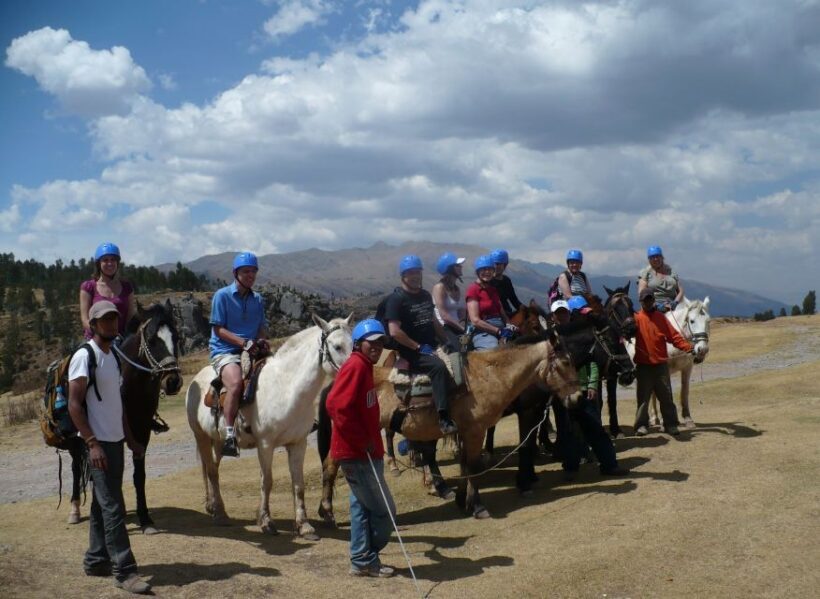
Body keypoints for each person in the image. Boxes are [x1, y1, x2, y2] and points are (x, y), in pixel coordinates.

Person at [67, 301, 151, 595]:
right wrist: (91, 443)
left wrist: (130, 438)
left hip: (115, 442)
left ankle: (95, 559)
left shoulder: (113, 356)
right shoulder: (84, 356)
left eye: (114, 318)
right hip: (97, 444)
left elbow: (118, 405)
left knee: (102, 505)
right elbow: (75, 406)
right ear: (93, 324)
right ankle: (125, 571)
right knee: (114, 506)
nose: (112, 323)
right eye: (105, 319)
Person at [326, 319, 397, 578]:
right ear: (359, 343)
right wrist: (360, 440)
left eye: (380, 342)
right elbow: (335, 405)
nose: (377, 347)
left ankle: (361, 560)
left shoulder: (365, 367)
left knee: (361, 508)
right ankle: (368, 557)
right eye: (372, 342)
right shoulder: (355, 366)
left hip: (366, 451)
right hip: (357, 454)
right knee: (384, 510)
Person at [551, 298, 627, 479]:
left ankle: (609, 465)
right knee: (568, 431)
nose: (562, 316)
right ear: (553, 316)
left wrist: (593, 384)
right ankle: (570, 468)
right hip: (564, 391)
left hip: (585, 389)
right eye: (558, 313)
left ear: (569, 313)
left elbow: (592, 362)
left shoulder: (582, 334)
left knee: (595, 428)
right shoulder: (550, 338)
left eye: (564, 312)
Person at [384, 255, 457, 434]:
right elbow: (394, 331)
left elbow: (434, 322)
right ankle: (444, 418)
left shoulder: (425, 295)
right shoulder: (396, 299)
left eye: (418, 272)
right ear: (403, 276)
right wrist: (417, 347)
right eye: (411, 273)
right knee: (439, 367)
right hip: (411, 351)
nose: (415, 276)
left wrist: (447, 341)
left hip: (431, 345)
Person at [208, 252, 269, 457]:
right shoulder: (222, 296)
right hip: (225, 351)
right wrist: (244, 343)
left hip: (252, 349)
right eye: (246, 271)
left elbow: (261, 327)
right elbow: (218, 330)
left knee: (280, 372)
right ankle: (229, 435)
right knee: (235, 383)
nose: (250, 275)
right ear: (236, 273)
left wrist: (261, 341)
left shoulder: (258, 299)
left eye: (253, 271)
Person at [633, 288, 693, 436]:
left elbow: (674, 337)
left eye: (650, 299)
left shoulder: (661, 318)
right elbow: (625, 335)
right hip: (643, 365)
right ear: (641, 302)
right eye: (645, 300)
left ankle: (671, 425)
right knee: (643, 398)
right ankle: (641, 425)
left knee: (666, 397)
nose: (648, 302)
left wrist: (688, 348)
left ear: (653, 300)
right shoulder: (636, 319)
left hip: (661, 365)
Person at [79, 242, 137, 340]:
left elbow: (131, 316)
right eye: (105, 260)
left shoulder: (127, 287)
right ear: (99, 264)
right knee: (82, 355)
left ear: (117, 263)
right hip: (95, 340)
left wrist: (124, 336)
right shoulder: (88, 287)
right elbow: (85, 319)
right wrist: (102, 335)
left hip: (122, 340)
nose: (109, 263)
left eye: (113, 260)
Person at [466, 254, 516, 351]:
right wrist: (498, 331)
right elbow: (475, 320)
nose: (487, 272)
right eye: (483, 269)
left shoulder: (492, 290)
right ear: (478, 271)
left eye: (490, 269)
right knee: (494, 352)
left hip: (500, 327)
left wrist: (509, 325)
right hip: (483, 331)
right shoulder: (473, 290)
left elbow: (501, 311)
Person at [431, 252, 467, 352]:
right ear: (449, 268)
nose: (461, 267)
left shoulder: (457, 289)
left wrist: (464, 323)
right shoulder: (439, 288)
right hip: (444, 328)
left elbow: (461, 310)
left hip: (457, 327)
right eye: (458, 265)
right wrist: (463, 329)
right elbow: (444, 316)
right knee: (458, 352)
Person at [637, 245, 684, 312]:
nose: (655, 259)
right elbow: (642, 293)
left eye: (657, 256)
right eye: (652, 257)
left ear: (662, 257)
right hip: (653, 307)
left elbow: (680, 291)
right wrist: (655, 305)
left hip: (672, 306)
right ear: (649, 260)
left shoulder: (671, 272)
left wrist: (676, 302)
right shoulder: (645, 273)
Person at [489, 248, 522, 315]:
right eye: (494, 264)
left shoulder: (506, 281)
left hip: (508, 313)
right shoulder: (488, 282)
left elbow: (514, 300)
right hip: (493, 316)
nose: (496, 267)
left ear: (505, 265)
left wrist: (527, 311)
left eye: (498, 264)